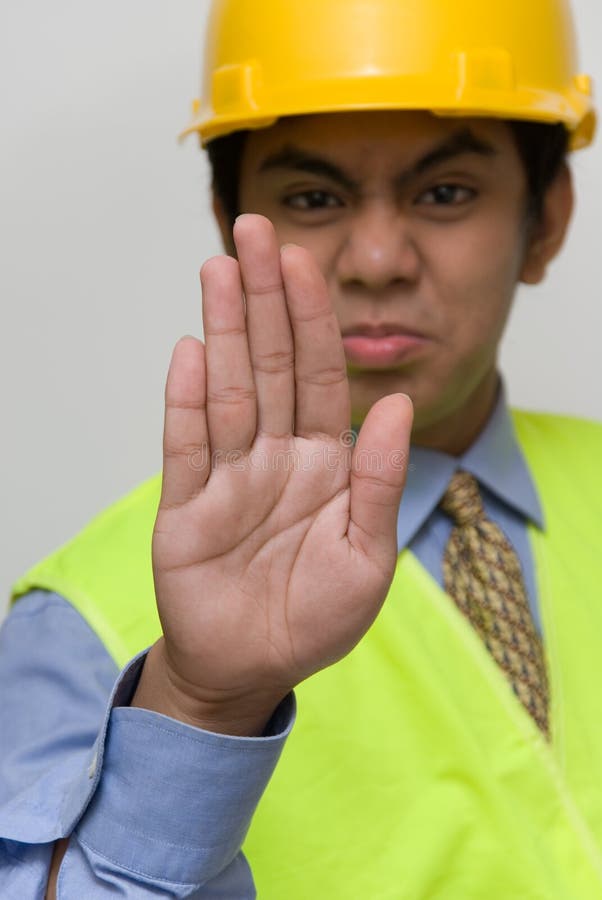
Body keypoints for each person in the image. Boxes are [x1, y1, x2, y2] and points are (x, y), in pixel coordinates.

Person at [2, 0, 601, 896]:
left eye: (446, 192)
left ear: (546, 219)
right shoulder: (80, 620)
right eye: (314, 199)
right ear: (230, 225)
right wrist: (201, 706)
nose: (376, 259)